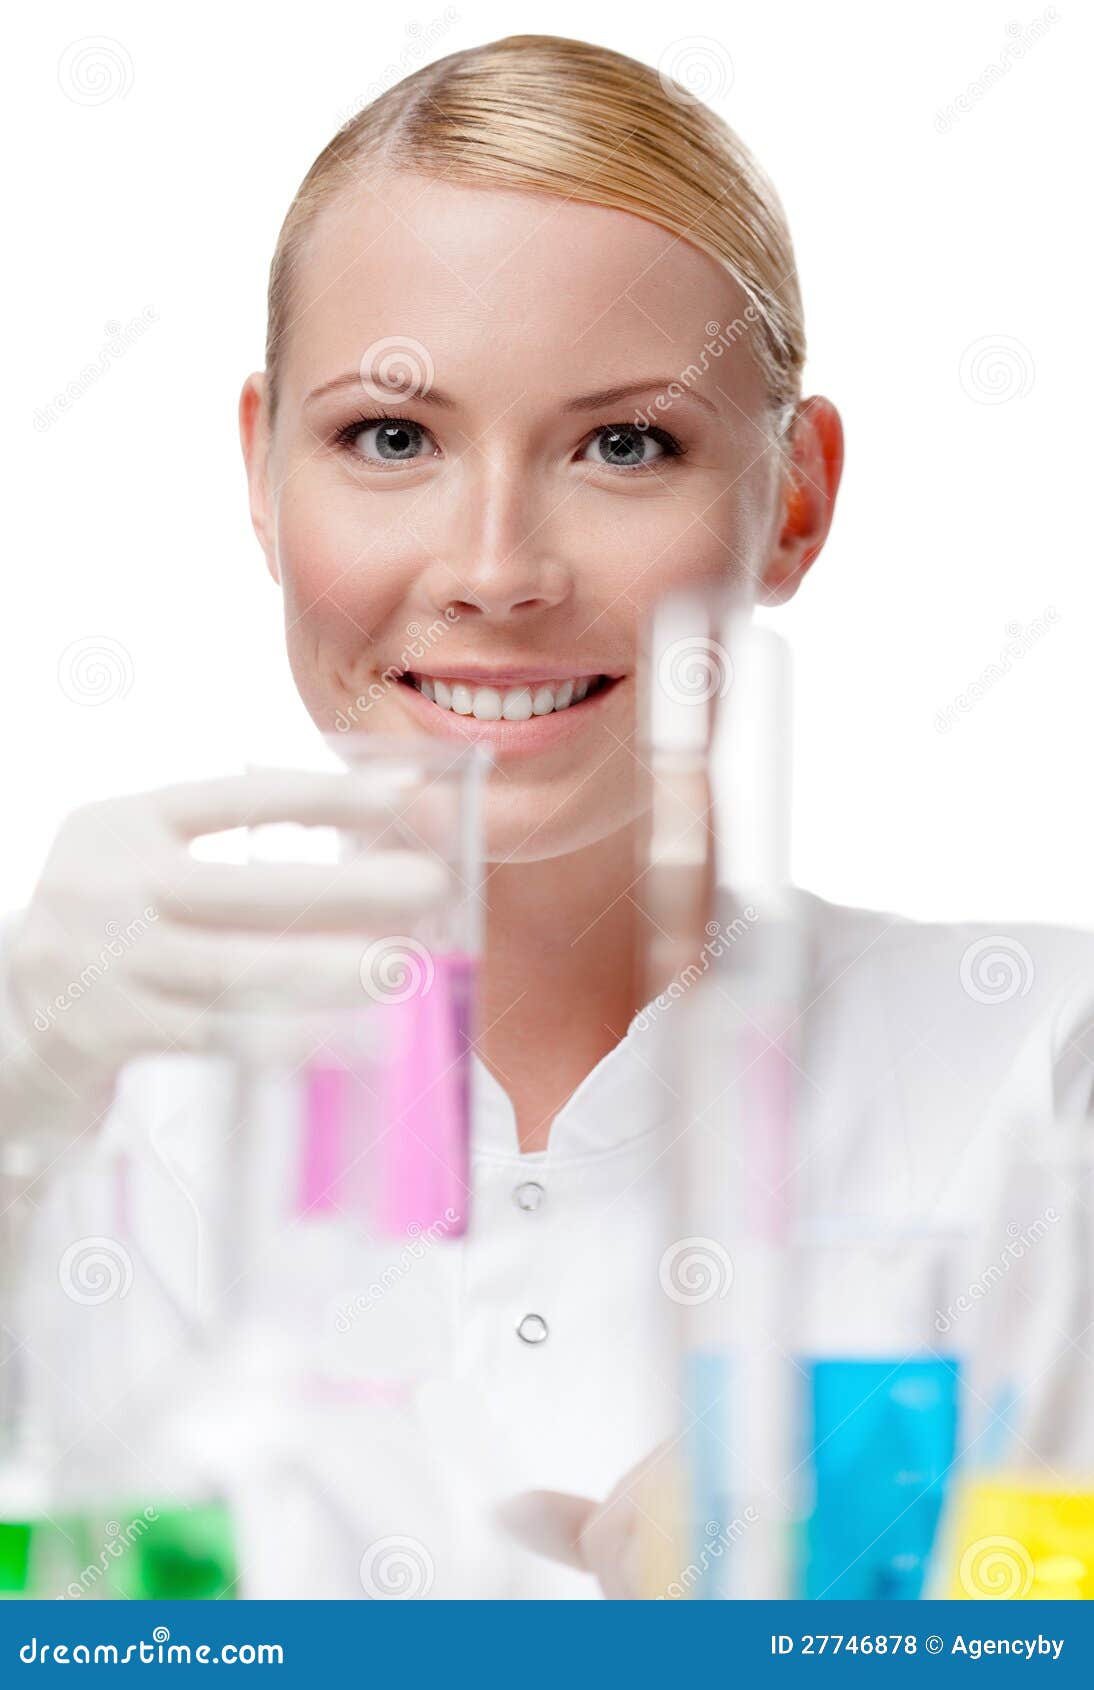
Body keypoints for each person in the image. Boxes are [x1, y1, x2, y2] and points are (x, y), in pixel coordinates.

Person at [2, 35, 1092, 1600]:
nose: (496, 568)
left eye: (623, 444)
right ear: (259, 470)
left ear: (793, 499)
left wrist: (851, 1601)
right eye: (392, 438)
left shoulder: (1039, 1070)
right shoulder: (97, 1115)